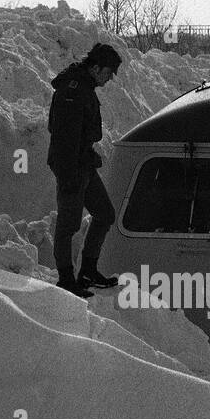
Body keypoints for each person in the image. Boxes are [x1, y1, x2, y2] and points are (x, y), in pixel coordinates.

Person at [47, 42, 123, 297]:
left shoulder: (84, 87)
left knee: (105, 214)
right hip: (72, 167)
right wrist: (68, 176)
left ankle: (88, 271)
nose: (109, 78)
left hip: (84, 164)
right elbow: (63, 138)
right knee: (68, 226)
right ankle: (66, 279)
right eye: (108, 72)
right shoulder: (73, 90)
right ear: (96, 67)